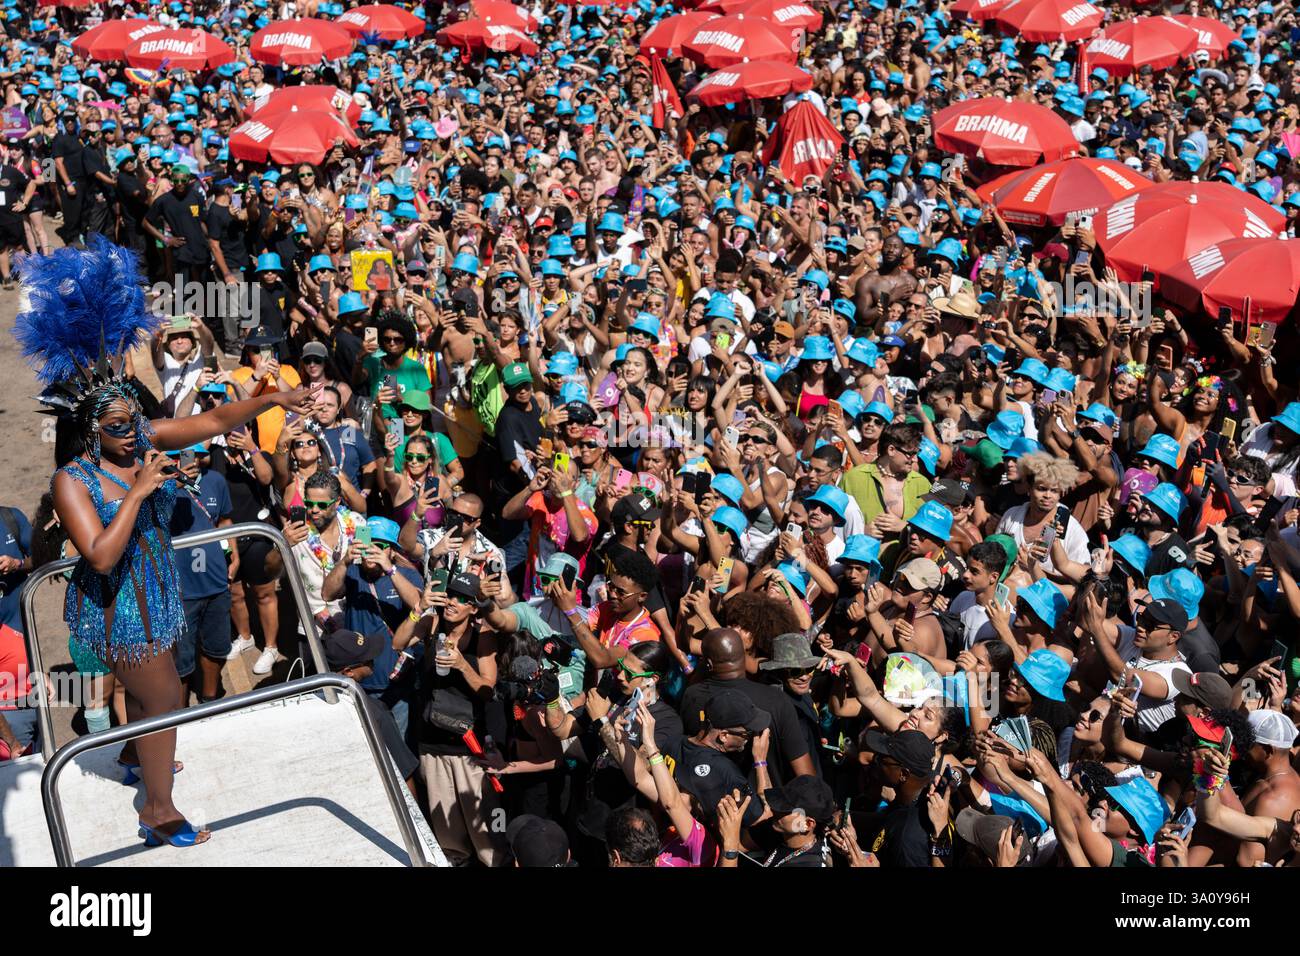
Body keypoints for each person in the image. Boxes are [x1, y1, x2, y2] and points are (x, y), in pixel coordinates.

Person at [28, 238, 313, 847]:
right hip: (115, 605)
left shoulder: (144, 437)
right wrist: (137, 492)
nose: (131, 437)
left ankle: (136, 754)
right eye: (115, 430)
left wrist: (274, 398)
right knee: (164, 702)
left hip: (158, 588)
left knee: (154, 697)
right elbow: (100, 555)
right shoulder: (72, 480)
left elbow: (211, 423)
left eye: (134, 424)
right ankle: (157, 811)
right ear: (88, 431)